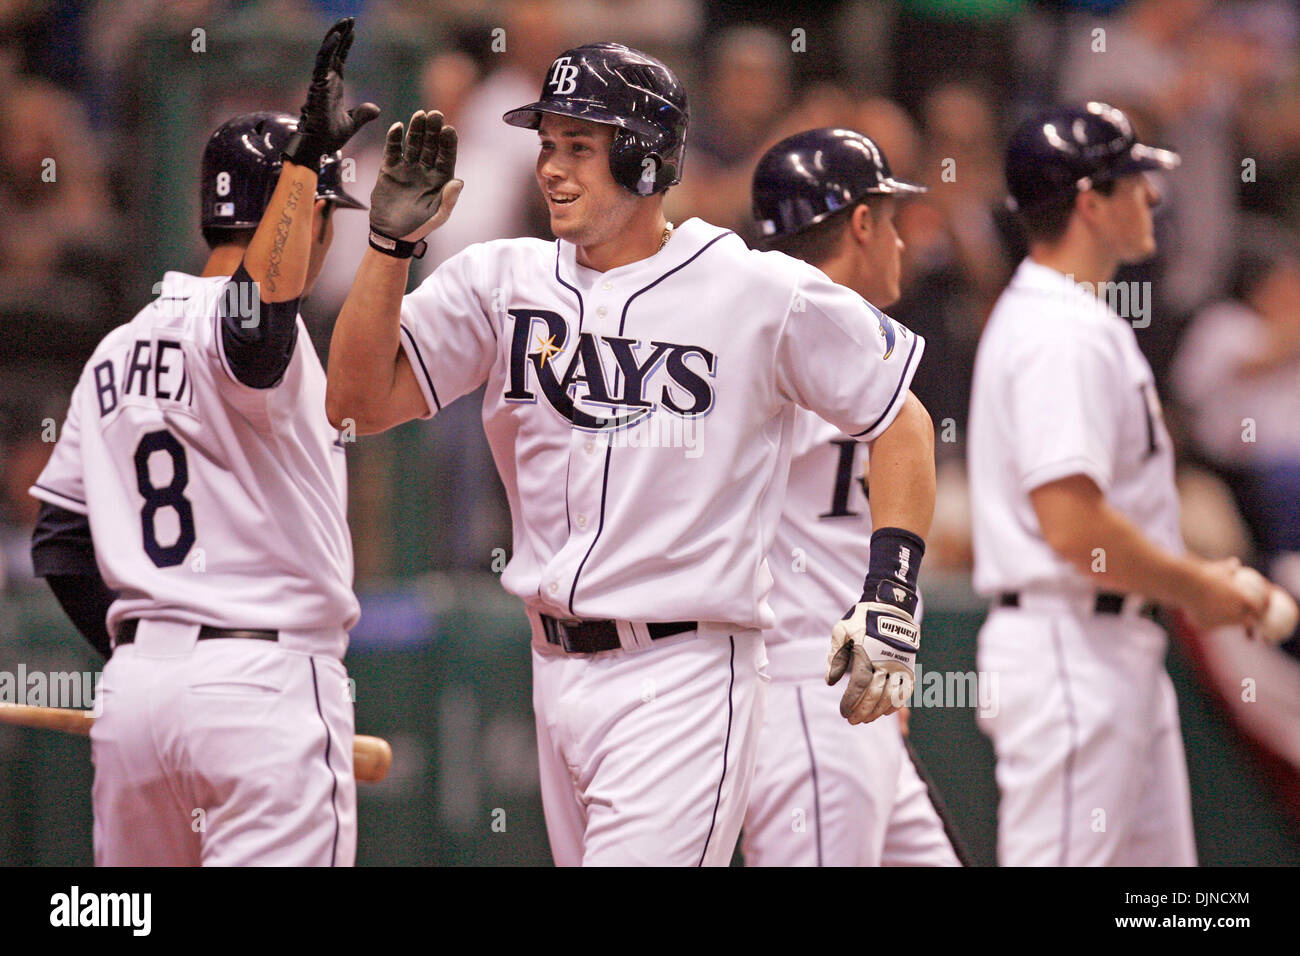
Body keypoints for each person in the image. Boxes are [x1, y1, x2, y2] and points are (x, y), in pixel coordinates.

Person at [326, 42, 935, 866]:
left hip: (686, 670)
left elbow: (900, 419)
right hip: (552, 668)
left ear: (648, 160)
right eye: (547, 144)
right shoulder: (500, 279)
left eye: (581, 145)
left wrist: (890, 589)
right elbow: (355, 402)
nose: (552, 168)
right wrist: (389, 251)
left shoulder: (753, 288)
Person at [28, 18, 378, 866]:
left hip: (138, 698)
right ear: (297, 220)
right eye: (325, 211)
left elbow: (62, 546)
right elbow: (254, 328)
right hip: (263, 688)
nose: (331, 230)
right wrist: (307, 174)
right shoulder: (252, 328)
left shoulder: (116, 346)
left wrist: (156, 667)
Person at [968, 101, 1267, 867]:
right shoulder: (1058, 330)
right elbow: (1074, 529)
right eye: (1136, 182)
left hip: (1112, 645)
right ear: (1090, 203)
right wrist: (1196, 584)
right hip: (1070, 646)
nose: (1154, 198)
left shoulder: (1074, 317)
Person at [741, 127, 962, 867]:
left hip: (845, 689)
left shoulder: (765, 330)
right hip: (807, 688)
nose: (899, 241)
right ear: (862, 223)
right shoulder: (796, 333)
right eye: (890, 220)